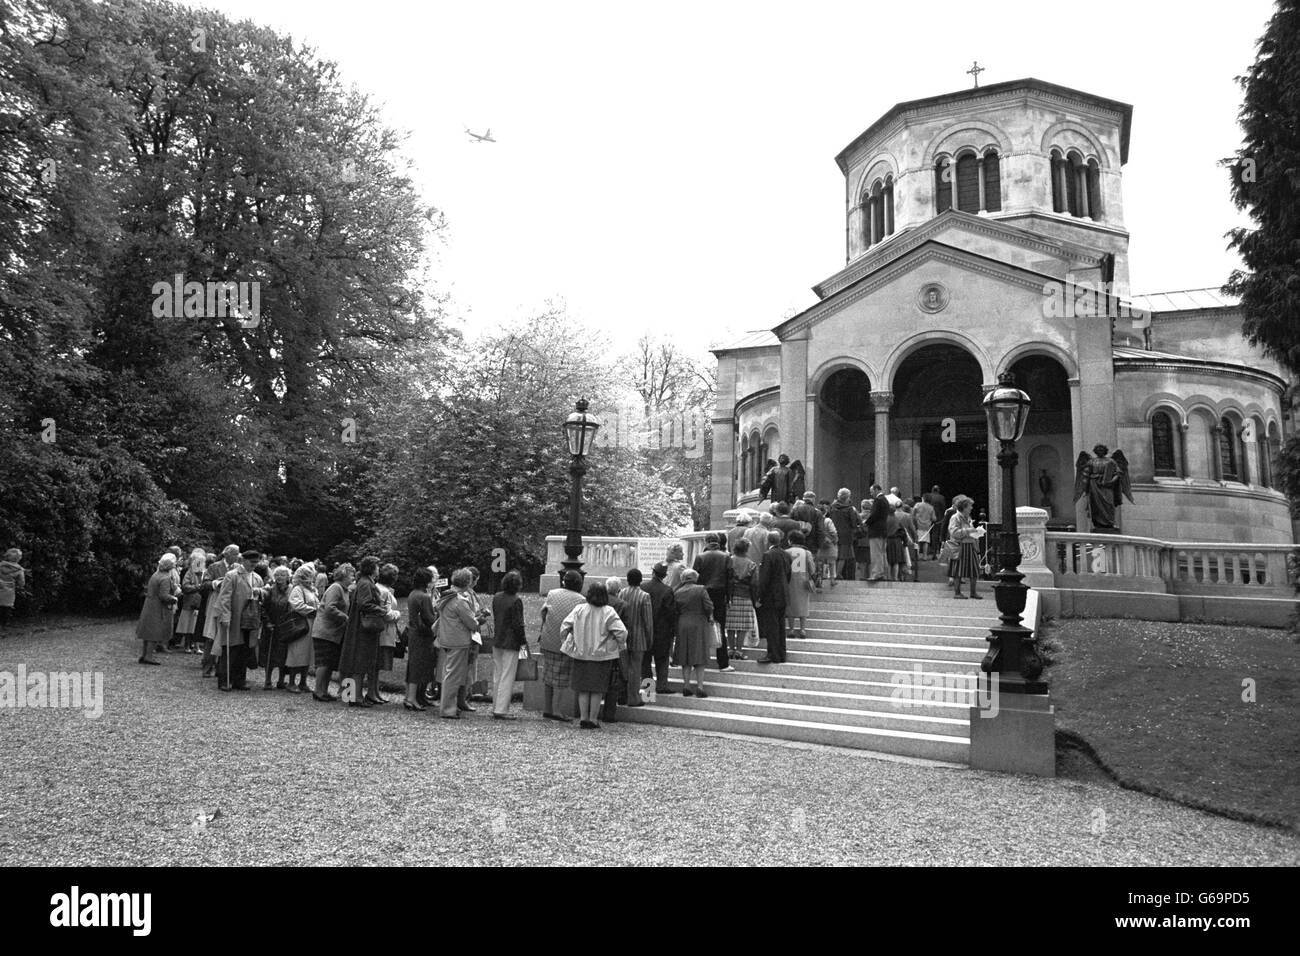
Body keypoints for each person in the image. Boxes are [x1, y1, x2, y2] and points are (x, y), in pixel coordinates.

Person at [560, 580, 628, 729]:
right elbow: (622, 632)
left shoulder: (579, 609)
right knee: (597, 689)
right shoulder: (608, 611)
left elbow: (565, 625)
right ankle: (593, 719)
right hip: (602, 655)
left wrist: (568, 639)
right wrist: (618, 643)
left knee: (583, 687)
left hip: (580, 653)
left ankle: (583, 717)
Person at [212, 550, 265, 691]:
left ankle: (239, 680)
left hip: (250, 619)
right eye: (251, 562)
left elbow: (262, 596)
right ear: (243, 560)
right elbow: (225, 597)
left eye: (256, 562)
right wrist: (225, 616)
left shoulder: (257, 578)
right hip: (235, 617)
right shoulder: (232, 575)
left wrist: (260, 593)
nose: (254, 565)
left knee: (245, 649)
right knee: (230, 648)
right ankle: (224, 680)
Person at [539, 570, 587, 722]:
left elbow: (543, 612)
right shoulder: (581, 600)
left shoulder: (552, 593)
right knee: (561, 677)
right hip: (565, 642)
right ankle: (557, 710)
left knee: (548, 675)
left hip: (548, 638)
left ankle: (547, 708)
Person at [338, 556, 384, 708]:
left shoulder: (365, 582)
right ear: (371, 568)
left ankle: (349, 695)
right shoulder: (366, 583)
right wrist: (382, 610)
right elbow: (365, 604)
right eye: (377, 566)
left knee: (355, 661)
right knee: (359, 661)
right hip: (362, 628)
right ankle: (354, 697)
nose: (379, 569)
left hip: (360, 627)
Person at [434, 568, 481, 719]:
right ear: (467, 582)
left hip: (446, 639)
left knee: (448, 674)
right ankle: (448, 709)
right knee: (453, 677)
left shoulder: (446, 596)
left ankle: (448, 706)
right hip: (458, 641)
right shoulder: (459, 601)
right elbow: (472, 623)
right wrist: (480, 619)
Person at [311, 563, 353, 702]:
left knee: (328, 663)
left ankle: (324, 690)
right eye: (351, 575)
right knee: (323, 662)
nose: (353, 578)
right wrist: (345, 618)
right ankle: (318, 691)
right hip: (325, 631)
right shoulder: (336, 588)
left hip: (333, 632)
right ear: (343, 575)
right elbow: (330, 607)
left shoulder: (344, 589)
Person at [692, 533, 733, 672]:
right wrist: (729, 597)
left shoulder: (700, 557)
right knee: (720, 627)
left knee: (700, 626)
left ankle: (697, 660)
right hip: (720, 594)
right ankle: (723, 663)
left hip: (703, 593)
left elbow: (694, 578)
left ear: (706, 542)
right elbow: (730, 579)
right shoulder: (726, 557)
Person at [670, 568, 714, 697]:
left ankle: (686, 685)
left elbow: (675, 610)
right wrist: (709, 616)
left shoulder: (677, 592)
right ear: (695, 578)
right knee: (699, 655)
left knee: (685, 655)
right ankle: (700, 686)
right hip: (699, 623)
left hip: (682, 623)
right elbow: (708, 606)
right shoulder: (701, 589)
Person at [490, 570, 527, 720]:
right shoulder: (516, 601)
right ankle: (501, 709)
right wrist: (523, 641)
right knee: (507, 676)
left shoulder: (497, 597)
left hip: (498, 639)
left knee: (497, 674)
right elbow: (518, 624)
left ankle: (496, 706)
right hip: (510, 641)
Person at [199, 545, 241, 678]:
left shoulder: (238, 569)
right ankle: (207, 666)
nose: (237, 556)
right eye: (235, 553)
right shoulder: (214, 567)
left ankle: (220, 668)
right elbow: (204, 585)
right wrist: (215, 583)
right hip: (215, 602)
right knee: (211, 636)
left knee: (225, 636)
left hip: (230, 604)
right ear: (226, 554)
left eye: (238, 554)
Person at [617, 569, 653, 706]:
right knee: (635, 669)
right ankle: (634, 698)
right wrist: (650, 639)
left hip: (623, 635)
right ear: (640, 580)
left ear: (627, 579)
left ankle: (622, 696)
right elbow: (648, 621)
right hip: (639, 637)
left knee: (624, 668)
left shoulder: (621, 593)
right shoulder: (644, 596)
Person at [404, 567, 438, 711]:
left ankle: (411, 696)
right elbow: (430, 619)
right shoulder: (424, 596)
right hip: (423, 635)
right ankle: (412, 698)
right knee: (419, 666)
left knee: (413, 664)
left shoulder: (413, 594)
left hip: (413, 633)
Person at [755, 531, 791, 664]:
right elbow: (788, 574)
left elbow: (764, 578)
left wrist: (759, 596)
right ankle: (781, 654)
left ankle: (773, 654)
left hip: (771, 596)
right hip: (783, 594)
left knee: (772, 626)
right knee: (781, 626)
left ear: (768, 541)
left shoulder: (768, 555)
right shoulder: (786, 554)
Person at [641, 562, 677, 695]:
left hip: (645, 631)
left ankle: (648, 692)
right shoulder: (667, 590)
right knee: (662, 661)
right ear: (664, 576)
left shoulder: (643, 587)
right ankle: (662, 686)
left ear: (653, 573)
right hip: (662, 632)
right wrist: (673, 630)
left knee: (645, 662)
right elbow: (670, 613)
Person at [136, 554, 178, 665]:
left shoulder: (156, 574)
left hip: (149, 604)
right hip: (157, 607)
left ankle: (144, 655)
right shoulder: (165, 578)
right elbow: (164, 596)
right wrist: (174, 598)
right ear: (170, 566)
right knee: (155, 632)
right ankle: (149, 657)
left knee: (147, 632)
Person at [370, 563, 402, 705]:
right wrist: (398, 614)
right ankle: (372, 692)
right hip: (382, 631)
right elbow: (386, 613)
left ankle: (375, 692)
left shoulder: (384, 590)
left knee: (377, 664)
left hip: (385, 631)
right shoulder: (383, 591)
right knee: (375, 663)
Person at [283, 563, 317, 693]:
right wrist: (313, 610)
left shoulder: (311, 590)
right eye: (309, 575)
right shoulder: (297, 589)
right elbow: (296, 604)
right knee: (297, 652)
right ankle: (291, 682)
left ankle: (303, 681)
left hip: (311, 623)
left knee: (307, 653)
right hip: (301, 624)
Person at [261, 565, 295, 690]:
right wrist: (267, 622)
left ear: (288, 577)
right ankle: (268, 680)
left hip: (285, 626)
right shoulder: (270, 590)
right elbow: (263, 608)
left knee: (283, 654)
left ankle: (281, 680)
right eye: (277, 575)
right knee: (269, 653)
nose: (279, 577)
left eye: (282, 575)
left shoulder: (292, 589)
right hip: (272, 625)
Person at [725, 538, 758, 660]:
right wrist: (755, 599)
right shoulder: (751, 564)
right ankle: (739, 651)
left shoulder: (729, 561)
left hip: (731, 596)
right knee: (742, 627)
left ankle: (730, 649)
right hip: (745, 596)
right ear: (746, 549)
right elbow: (754, 583)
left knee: (730, 626)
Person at [949, 496, 983, 599]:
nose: (971, 508)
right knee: (958, 571)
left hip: (970, 545)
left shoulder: (967, 518)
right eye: (969, 506)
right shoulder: (955, 518)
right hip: (960, 547)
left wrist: (976, 533)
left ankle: (973, 592)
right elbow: (954, 533)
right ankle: (957, 593)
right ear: (964, 507)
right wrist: (969, 531)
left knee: (974, 570)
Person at [784, 530, 815, 639]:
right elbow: (812, 569)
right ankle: (802, 629)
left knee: (790, 604)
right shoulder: (806, 552)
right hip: (803, 580)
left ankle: (791, 629)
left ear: (790, 540)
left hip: (789, 581)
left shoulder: (786, 552)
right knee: (803, 604)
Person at [175, 548, 206, 653]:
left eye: (202, 562)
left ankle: (197, 646)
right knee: (188, 625)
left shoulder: (204, 573)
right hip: (190, 602)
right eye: (198, 562)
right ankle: (187, 646)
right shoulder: (189, 572)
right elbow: (185, 586)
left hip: (200, 602)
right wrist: (197, 587)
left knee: (197, 624)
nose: (200, 564)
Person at [828, 489, 860, 581]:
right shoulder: (849, 509)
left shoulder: (832, 507)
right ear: (847, 497)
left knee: (834, 554)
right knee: (843, 555)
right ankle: (838, 573)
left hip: (834, 533)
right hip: (846, 535)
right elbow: (854, 523)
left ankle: (832, 573)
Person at [865, 485, 891, 581]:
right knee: (882, 553)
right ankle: (883, 573)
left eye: (871, 491)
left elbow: (874, 515)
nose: (870, 493)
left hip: (876, 530)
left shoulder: (878, 500)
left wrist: (866, 523)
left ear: (876, 490)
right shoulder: (885, 500)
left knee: (876, 553)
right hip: (883, 530)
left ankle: (876, 574)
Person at [0, 548, 25, 633]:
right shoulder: (19, 570)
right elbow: (22, 583)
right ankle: (3, 627)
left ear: (7, 556)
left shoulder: (0, 565)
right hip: (9, 591)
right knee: (6, 609)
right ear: (19, 558)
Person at [816, 502, 839, 587]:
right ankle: (832, 579)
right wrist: (835, 540)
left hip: (819, 544)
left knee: (819, 563)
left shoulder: (815, 520)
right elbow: (833, 531)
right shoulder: (827, 520)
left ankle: (819, 579)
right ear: (825, 512)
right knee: (831, 562)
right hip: (829, 543)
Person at [912, 496, 937, 560]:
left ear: (923, 498)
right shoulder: (931, 507)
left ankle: (916, 556)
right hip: (927, 526)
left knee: (917, 541)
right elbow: (934, 518)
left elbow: (913, 513)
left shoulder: (917, 505)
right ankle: (925, 556)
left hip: (917, 525)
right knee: (925, 541)